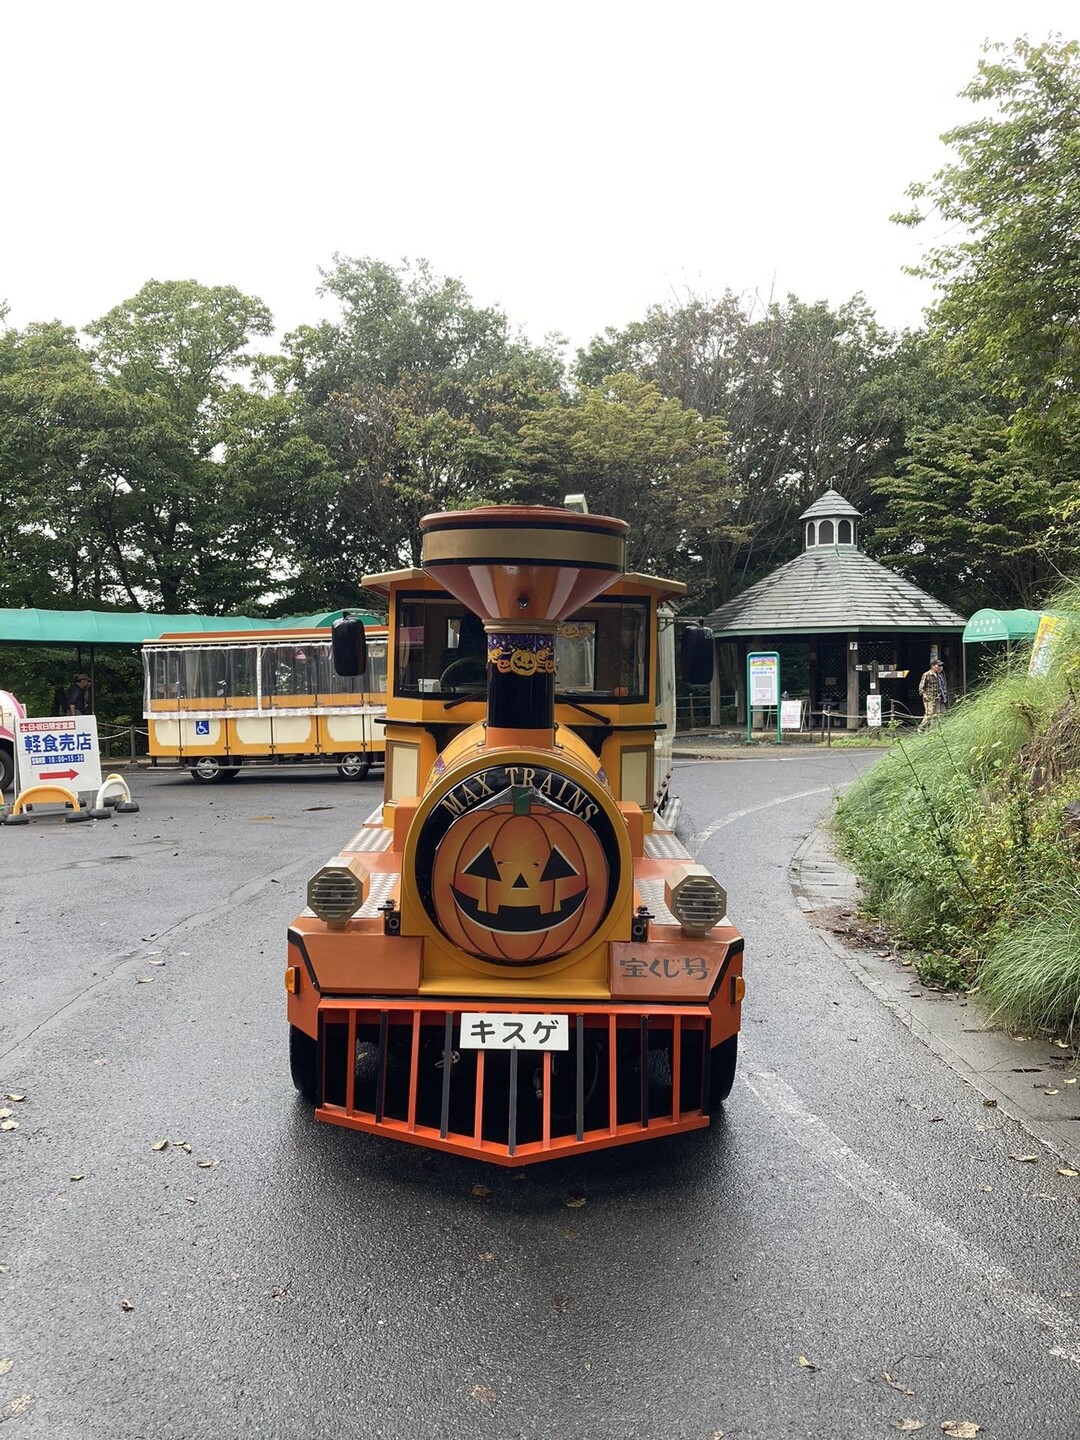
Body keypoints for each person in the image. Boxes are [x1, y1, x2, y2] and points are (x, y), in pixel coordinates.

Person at [917, 660, 946, 730]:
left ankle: (934, 729)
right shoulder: (927, 674)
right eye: (938, 665)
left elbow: (942, 687)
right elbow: (921, 687)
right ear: (933, 666)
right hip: (929, 698)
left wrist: (944, 696)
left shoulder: (940, 675)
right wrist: (925, 695)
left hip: (938, 698)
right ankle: (921, 728)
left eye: (941, 666)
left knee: (938, 714)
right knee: (929, 714)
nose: (940, 667)